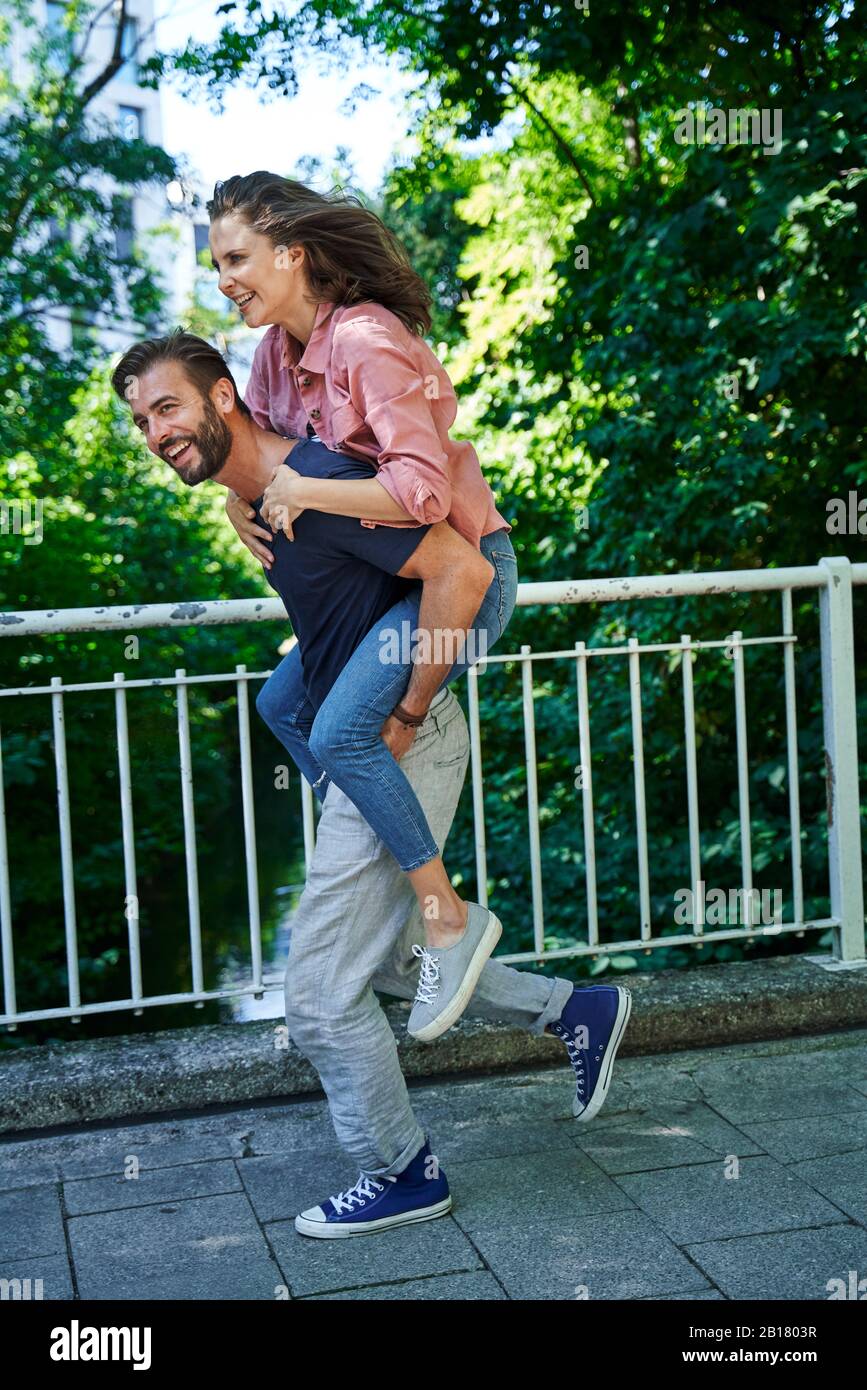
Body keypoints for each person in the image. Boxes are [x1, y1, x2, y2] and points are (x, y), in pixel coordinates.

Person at [110, 330, 633, 1239]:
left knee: (318, 995)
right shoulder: (264, 497)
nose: (156, 433)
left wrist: (407, 712)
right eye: (141, 422)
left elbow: (463, 571)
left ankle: (401, 1172)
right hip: (373, 741)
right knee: (383, 964)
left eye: (168, 407)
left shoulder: (315, 487)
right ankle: (576, 1010)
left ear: (223, 397)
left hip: (401, 739)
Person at [205, 171, 518, 1035]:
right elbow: (260, 456)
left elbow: (417, 492)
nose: (224, 279)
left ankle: (449, 917)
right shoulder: (274, 355)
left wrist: (411, 710)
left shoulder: (366, 340)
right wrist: (240, 499)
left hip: (462, 577)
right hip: (392, 585)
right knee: (281, 702)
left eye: (237, 258)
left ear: (291, 251)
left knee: (345, 730)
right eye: (216, 264)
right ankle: (376, 812)